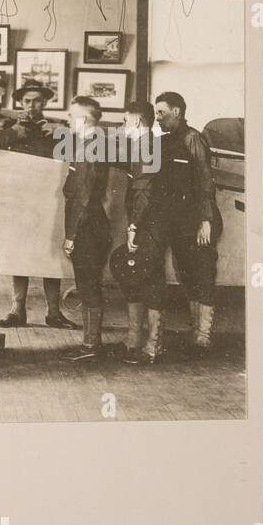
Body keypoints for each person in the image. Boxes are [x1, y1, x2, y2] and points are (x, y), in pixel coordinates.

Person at [0, 80, 77, 330]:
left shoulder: (57, 128)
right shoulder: (8, 126)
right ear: (20, 102)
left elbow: (72, 157)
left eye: (37, 101)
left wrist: (63, 134)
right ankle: (17, 311)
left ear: (45, 102)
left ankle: (54, 313)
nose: (32, 106)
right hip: (18, 201)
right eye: (27, 101)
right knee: (19, 255)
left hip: (48, 201)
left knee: (50, 255)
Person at [154, 91, 223, 357]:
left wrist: (205, 220)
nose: (157, 118)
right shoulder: (164, 141)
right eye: (156, 112)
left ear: (177, 112)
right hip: (178, 221)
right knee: (185, 272)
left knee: (203, 273)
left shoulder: (193, 138)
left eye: (161, 112)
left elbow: (206, 181)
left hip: (198, 220)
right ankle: (196, 332)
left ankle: (203, 336)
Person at [108, 103, 165, 364]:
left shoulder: (148, 148)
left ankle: (152, 345)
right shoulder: (145, 146)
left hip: (149, 223)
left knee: (150, 277)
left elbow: (146, 192)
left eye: (125, 122)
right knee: (139, 275)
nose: (122, 127)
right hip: (147, 221)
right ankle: (136, 341)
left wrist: (133, 226)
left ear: (139, 122)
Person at [59, 96, 113, 361]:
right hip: (92, 224)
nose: (68, 119)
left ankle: (91, 346)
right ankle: (91, 344)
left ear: (83, 119)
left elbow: (81, 197)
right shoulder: (92, 143)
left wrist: (71, 236)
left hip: (87, 226)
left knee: (88, 283)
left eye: (71, 115)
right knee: (89, 282)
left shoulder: (88, 147)